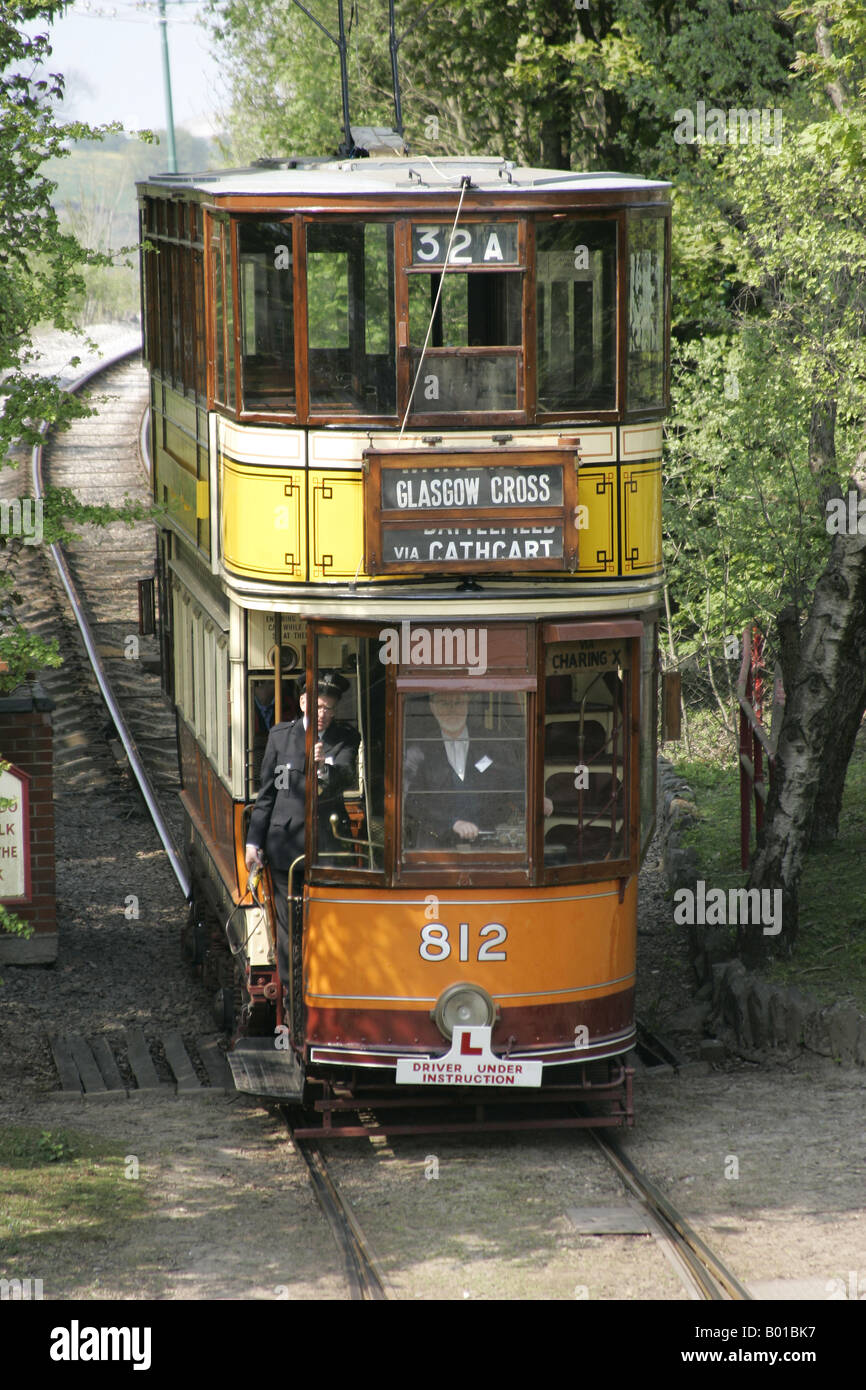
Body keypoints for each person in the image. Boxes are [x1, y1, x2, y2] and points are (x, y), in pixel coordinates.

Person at [245, 671, 360, 989]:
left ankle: (330, 988)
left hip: (330, 847)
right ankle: (294, 991)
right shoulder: (280, 737)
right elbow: (267, 793)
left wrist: (324, 768)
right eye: (319, 706)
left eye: (330, 709)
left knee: (329, 924)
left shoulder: (345, 738)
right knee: (291, 929)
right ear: (303, 702)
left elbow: (346, 776)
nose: (324, 714)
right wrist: (253, 841)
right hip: (286, 847)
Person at [402, 690, 523, 847]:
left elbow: (512, 780)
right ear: (432, 707)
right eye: (444, 703)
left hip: (485, 846)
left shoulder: (491, 744)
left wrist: (534, 800)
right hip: (436, 849)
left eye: (458, 702)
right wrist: (452, 823)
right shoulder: (418, 752)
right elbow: (411, 801)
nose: (452, 709)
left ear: (467, 704)